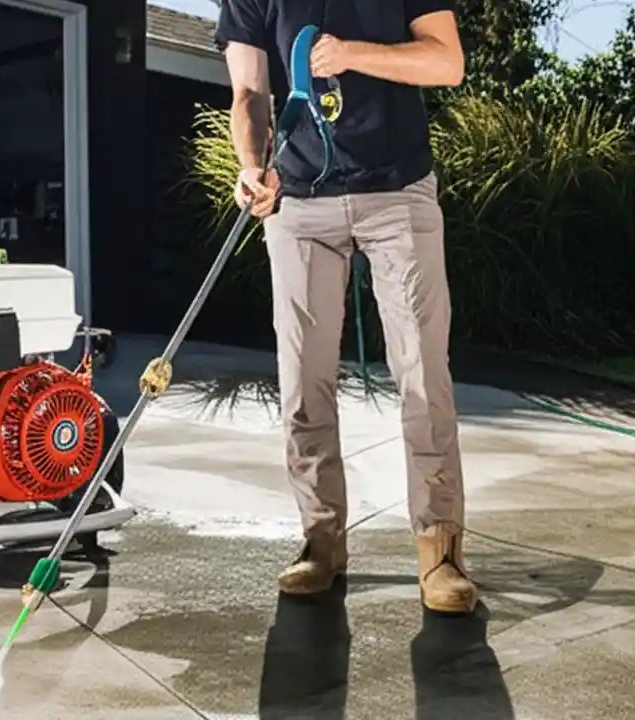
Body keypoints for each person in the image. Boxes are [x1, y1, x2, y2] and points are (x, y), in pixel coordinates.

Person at [214, 1, 474, 614]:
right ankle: (320, 542)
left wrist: (353, 54)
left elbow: (447, 62)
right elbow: (250, 91)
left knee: (422, 375)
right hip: (299, 200)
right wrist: (251, 167)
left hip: (398, 190)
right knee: (303, 380)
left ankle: (440, 552)